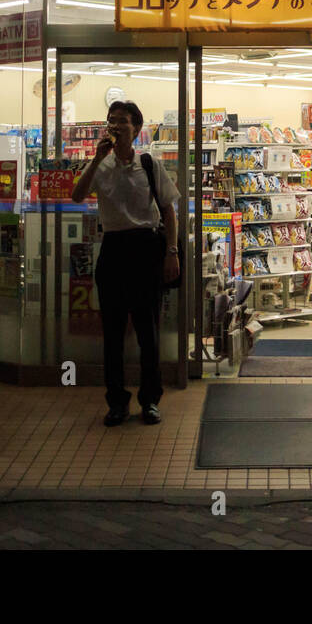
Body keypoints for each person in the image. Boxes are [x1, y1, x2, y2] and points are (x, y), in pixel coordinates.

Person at [71, 101, 180, 427]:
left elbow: (168, 210)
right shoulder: (100, 166)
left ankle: (150, 400)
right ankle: (116, 402)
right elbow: (77, 196)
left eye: (122, 121)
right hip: (114, 249)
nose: (116, 126)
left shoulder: (149, 163)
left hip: (146, 248)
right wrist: (96, 159)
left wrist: (171, 252)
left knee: (148, 331)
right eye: (111, 120)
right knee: (113, 332)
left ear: (136, 128)